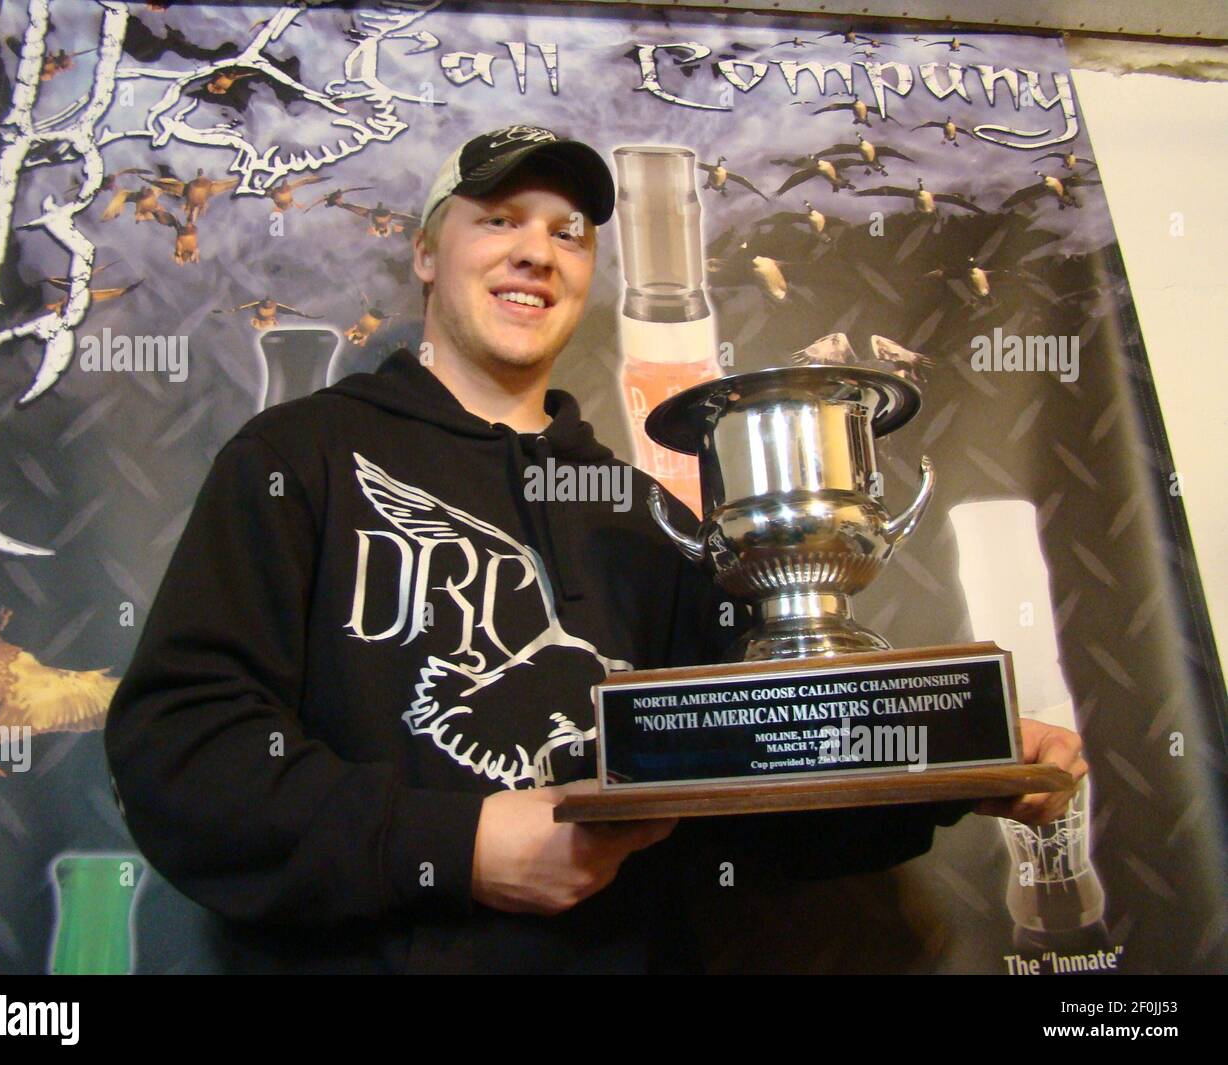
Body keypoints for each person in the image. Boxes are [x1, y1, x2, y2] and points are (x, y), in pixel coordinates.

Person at [104, 125, 1087, 974]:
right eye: (499, 219)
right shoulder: (297, 459)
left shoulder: (639, 516)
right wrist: (463, 843)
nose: (538, 250)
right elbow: (184, 759)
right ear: (423, 252)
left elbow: (747, 791)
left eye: (569, 233)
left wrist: (951, 761)